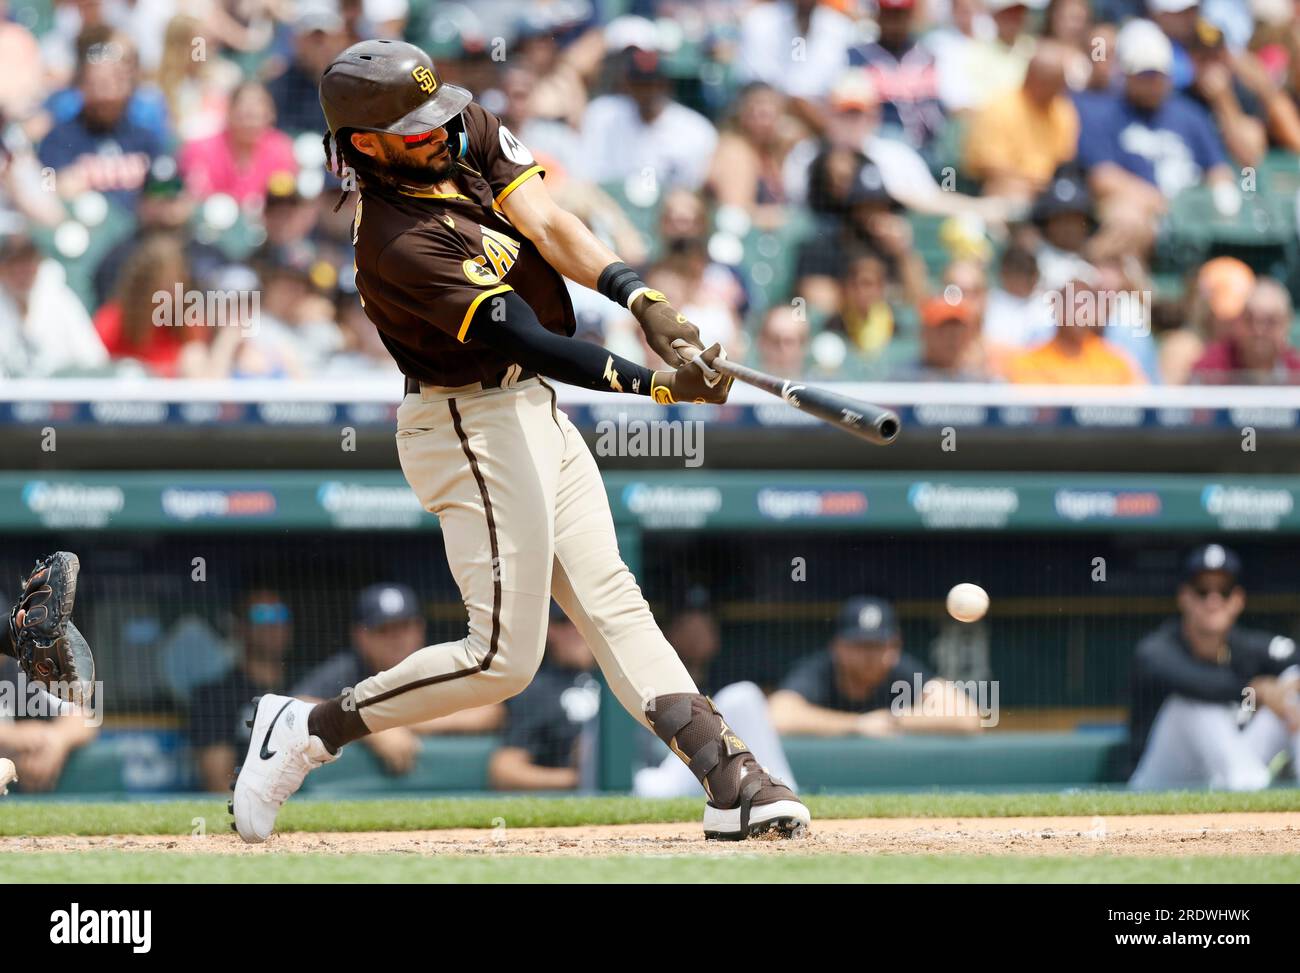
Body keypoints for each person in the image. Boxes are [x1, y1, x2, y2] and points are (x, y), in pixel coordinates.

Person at [231, 40, 808, 844]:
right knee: (503, 656)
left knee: (611, 597)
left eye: (438, 112)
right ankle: (306, 727)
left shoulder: (456, 124)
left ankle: (728, 775)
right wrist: (658, 386)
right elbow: (523, 337)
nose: (440, 130)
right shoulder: (394, 242)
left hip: (528, 409)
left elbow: (545, 219)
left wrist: (642, 301)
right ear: (365, 143)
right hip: (465, 421)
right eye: (414, 125)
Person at [1129, 544, 1300, 790]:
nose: (1213, 600)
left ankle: (1256, 789)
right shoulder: (1158, 648)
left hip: (1225, 776)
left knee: (1292, 691)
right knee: (1189, 704)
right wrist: (1256, 690)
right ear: (1184, 597)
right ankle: (1248, 786)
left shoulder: (1246, 646)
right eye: (1202, 590)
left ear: (1238, 600)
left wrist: (1286, 689)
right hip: (1159, 781)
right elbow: (1197, 683)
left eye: (1224, 590)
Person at [294, 583, 502, 777]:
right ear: (360, 636)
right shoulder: (347, 669)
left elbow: (490, 712)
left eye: (404, 627)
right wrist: (369, 731)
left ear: (420, 628)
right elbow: (299, 706)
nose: (397, 638)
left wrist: (383, 723)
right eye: (383, 629)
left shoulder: (438, 661)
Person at [769, 597, 984, 737]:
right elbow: (777, 716)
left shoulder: (901, 669)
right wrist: (857, 724)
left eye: (878, 646)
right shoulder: (821, 669)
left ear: (895, 646)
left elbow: (968, 717)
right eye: (860, 645)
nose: (869, 655)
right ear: (838, 647)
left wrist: (893, 720)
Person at [576, 39, 717, 192]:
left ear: (666, 83)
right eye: (640, 82)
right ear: (628, 84)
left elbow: (692, 191)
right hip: (611, 205)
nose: (649, 90)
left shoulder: (696, 130)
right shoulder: (602, 115)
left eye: (654, 82)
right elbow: (587, 174)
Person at [189, 590, 295, 794]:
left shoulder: (306, 687)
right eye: (261, 615)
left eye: (280, 615)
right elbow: (218, 781)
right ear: (241, 628)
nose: (272, 624)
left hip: (308, 799)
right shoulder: (215, 696)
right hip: (255, 803)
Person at [487, 603, 600, 791]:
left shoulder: (622, 678)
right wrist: (578, 778)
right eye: (565, 622)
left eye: (585, 621)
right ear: (549, 630)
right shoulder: (535, 688)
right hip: (574, 795)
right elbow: (504, 769)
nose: (577, 630)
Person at [964, 42, 1080, 203]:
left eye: (1060, 84)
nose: (1059, 90)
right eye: (1052, 83)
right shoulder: (999, 107)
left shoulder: (1062, 110)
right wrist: (1031, 183)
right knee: (1012, 193)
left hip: (1050, 187)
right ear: (1033, 78)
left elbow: (1064, 160)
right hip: (1006, 184)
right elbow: (989, 166)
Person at [0, 229, 109, 379]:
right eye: (13, 264)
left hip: (58, 397)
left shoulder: (60, 299)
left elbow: (93, 360)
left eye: (28, 263)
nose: (21, 271)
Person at [1004, 273, 1146, 385]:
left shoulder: (1116, 361)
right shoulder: (1029, 362)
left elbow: (1142, 402)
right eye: (1072, 303)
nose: (1079, 312)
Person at [1190, 277, 1300, 384]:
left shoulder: (1296, 369)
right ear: (1238, 322)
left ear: (1286, 325)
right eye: (1250, 320)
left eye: (1270, 322)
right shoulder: (1212, 366)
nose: (1259, 330)